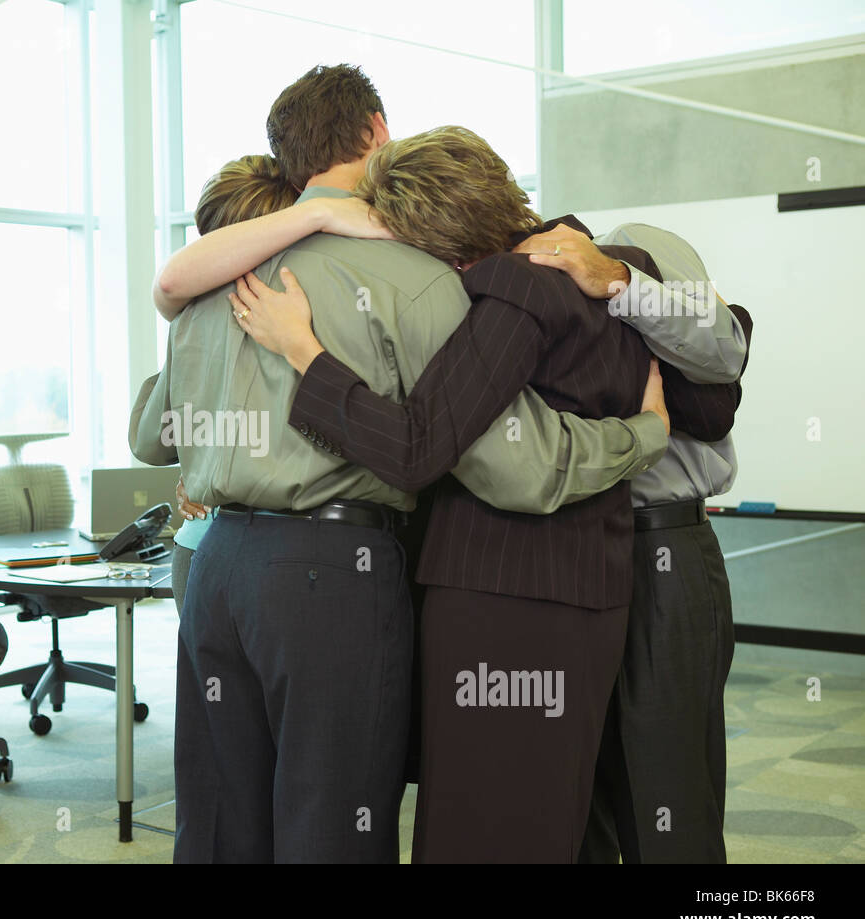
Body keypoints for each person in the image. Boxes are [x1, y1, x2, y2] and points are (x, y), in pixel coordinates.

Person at [133, 67, 671, 864]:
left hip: (215, 571)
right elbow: (513, 467)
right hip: (328, 573)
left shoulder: (212, 280)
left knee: (217, 822)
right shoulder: (416, 280)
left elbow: (158, 433)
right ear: (378, 131)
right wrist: (638, 436)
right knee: (331, 817)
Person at [218, 125, 747, 862]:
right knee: (591, 816)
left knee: (505, 825)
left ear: (445, 250)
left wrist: (306, 356)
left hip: (520, 587)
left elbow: (418, 446)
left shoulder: (511, 289)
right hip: (593, 577)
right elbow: (717, 394)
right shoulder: (608, 266)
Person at [514, 223, 751, 863]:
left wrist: (617, 281)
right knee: (577, 789)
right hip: (562, 547)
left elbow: (723, 353)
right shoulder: (513, 272)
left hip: (661, 546)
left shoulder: (641, 248)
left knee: (667, 786)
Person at [129, 153, 299, 615]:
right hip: (292, 554)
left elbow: (151, 443)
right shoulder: (303, 306)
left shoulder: (192, 314)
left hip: (203, 544)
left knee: (208, 687)